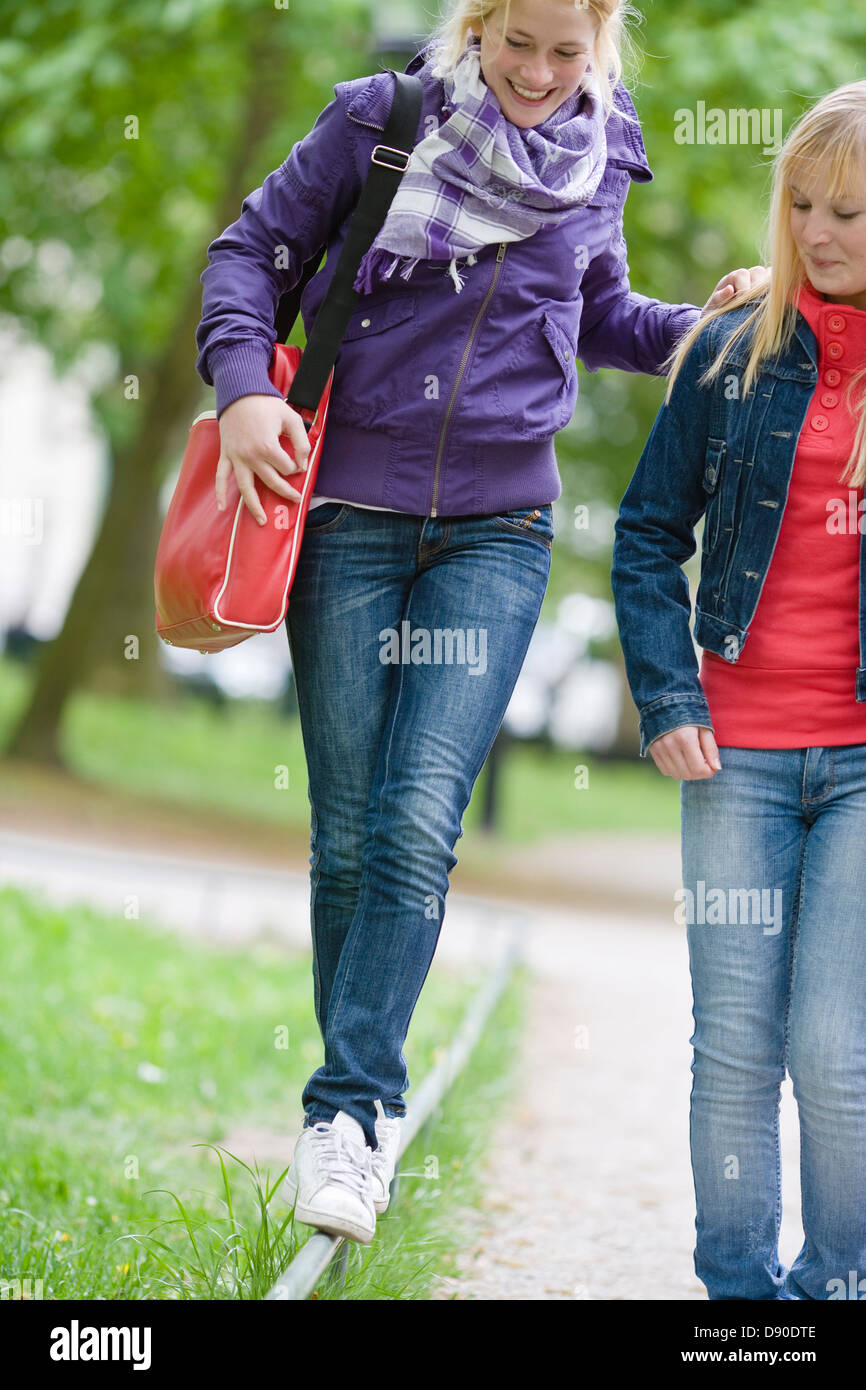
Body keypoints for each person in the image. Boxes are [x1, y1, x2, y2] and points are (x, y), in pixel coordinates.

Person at [195, 0, 762, 1247]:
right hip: (342, 507)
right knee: (346, 831)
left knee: (414, 820)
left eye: (570, 54)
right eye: (521, 44)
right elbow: (248, 257)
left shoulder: (600, 151)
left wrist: (701, 329)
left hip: (499, 531)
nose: (541, 75)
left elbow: (595, 310)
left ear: (600, 47)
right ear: (477, 25)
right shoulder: (378, 120)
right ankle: (349, 1108)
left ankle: (350, 1117)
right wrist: (244, 389)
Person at [611, 80, 866, 1300]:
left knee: (833, 1053)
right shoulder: (730, 349)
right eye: (803, 204)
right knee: (733, 1051)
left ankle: (834, 1285)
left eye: (851, 213)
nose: (819, 233)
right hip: (736, 756)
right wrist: (665, 697)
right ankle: (740, 1300)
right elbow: (645, 532)